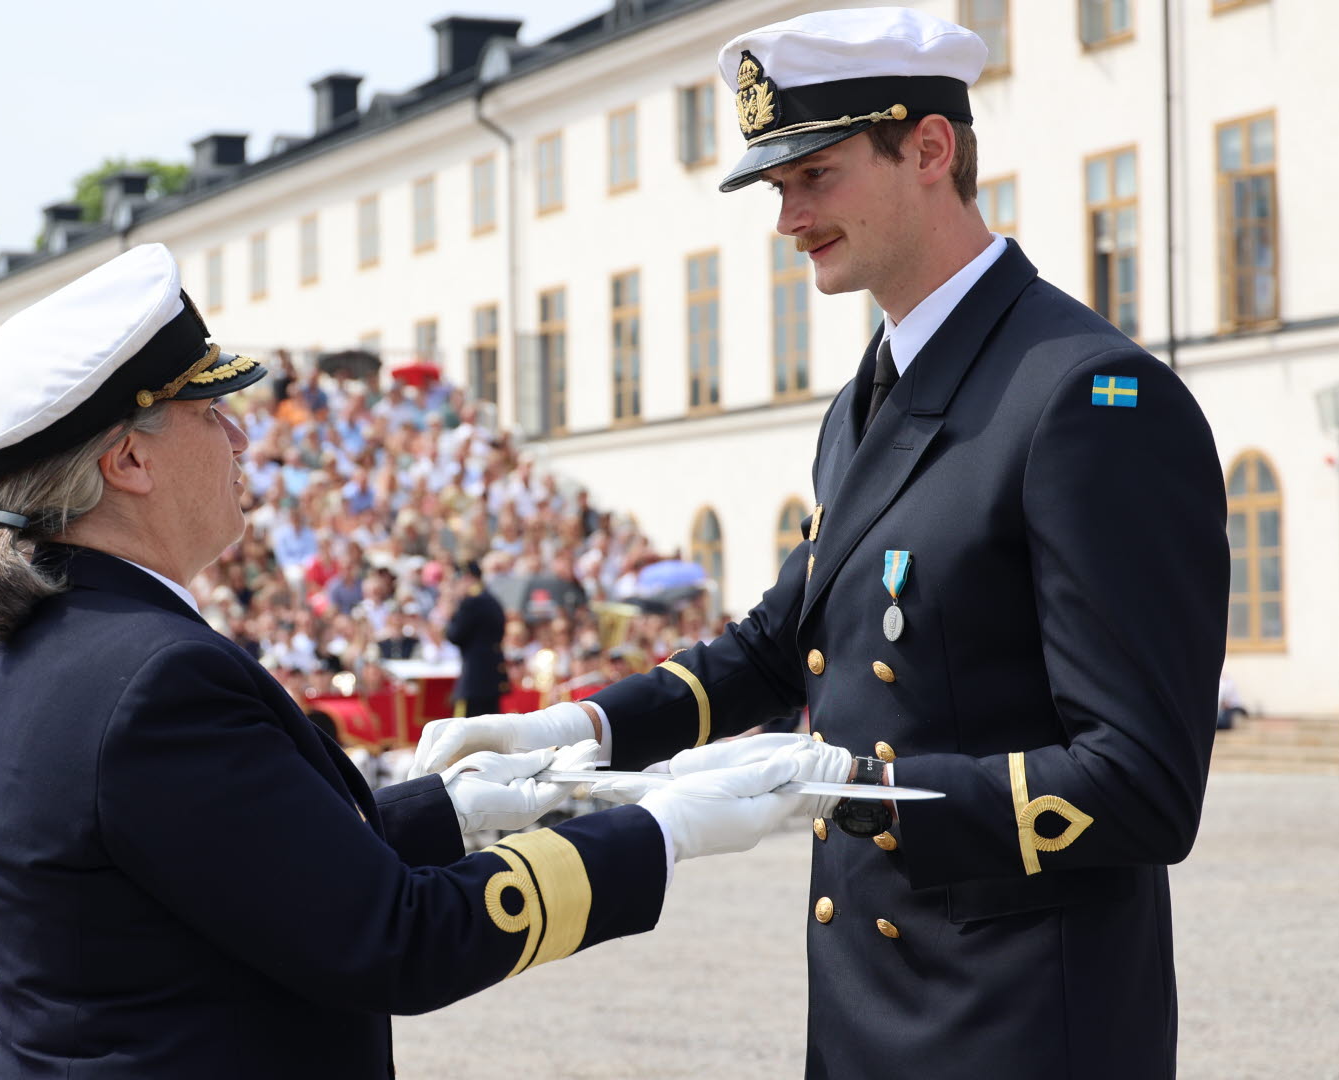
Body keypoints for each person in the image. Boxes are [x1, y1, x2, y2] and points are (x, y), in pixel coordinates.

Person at [411, 9, 1229, 1079]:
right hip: (870, 1008)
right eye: (776, 186)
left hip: (1015, 1020)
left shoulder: (1085, 398)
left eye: (815, 175)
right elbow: (774, 644)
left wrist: (851, 786)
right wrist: (580, 728)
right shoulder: (865, 403)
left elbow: (1141, 784)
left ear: (931, 149)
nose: (787, 218)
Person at [0, 243, 842, 1079]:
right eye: (211, 414)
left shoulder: (32, 658)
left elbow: (233, 862)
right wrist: (661, 829)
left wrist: (451, 813)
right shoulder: (153, 681)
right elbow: (392, 937)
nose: (242, 440)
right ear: (129, 459)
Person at [444, 559, 505, 716]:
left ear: (467, 578)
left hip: (473, 679)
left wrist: (451, 614)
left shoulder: (471, 603)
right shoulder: (493, 601)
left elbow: (454, 635)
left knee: (466, 728)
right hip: (492, 678)